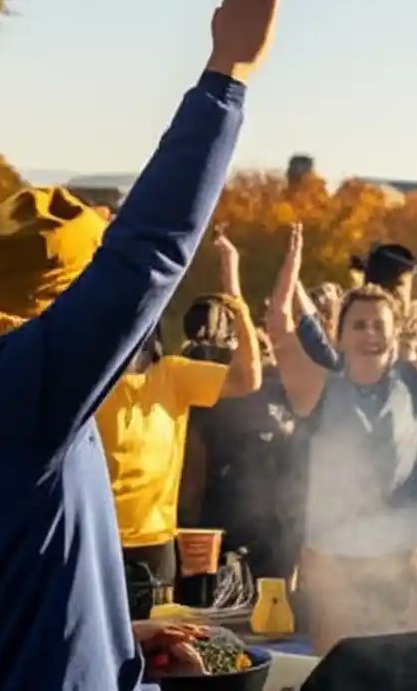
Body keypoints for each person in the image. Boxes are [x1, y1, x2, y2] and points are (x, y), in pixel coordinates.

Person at [0, 0, 297, 688]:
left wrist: (115, 627)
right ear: (58, 302)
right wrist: (225, 74)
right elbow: (150, 253)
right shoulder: (21, 392)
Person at [268, 142, 417, 654]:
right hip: (331, 559)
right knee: (334, 676)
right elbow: (279, 331)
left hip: (400, 557)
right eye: (359, 324)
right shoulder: (319, 389)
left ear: (395, 334)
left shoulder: (415, 381)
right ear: (340, 335)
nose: (370, 333)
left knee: (399, 675)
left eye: (380, 325)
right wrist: (290, 267)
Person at [99, 229, 261, 597]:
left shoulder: (173, 375)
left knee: (154, 651)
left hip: (154, 544)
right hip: (93, 538)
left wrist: (235, 301)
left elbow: (246, 378)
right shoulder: (88, 379)